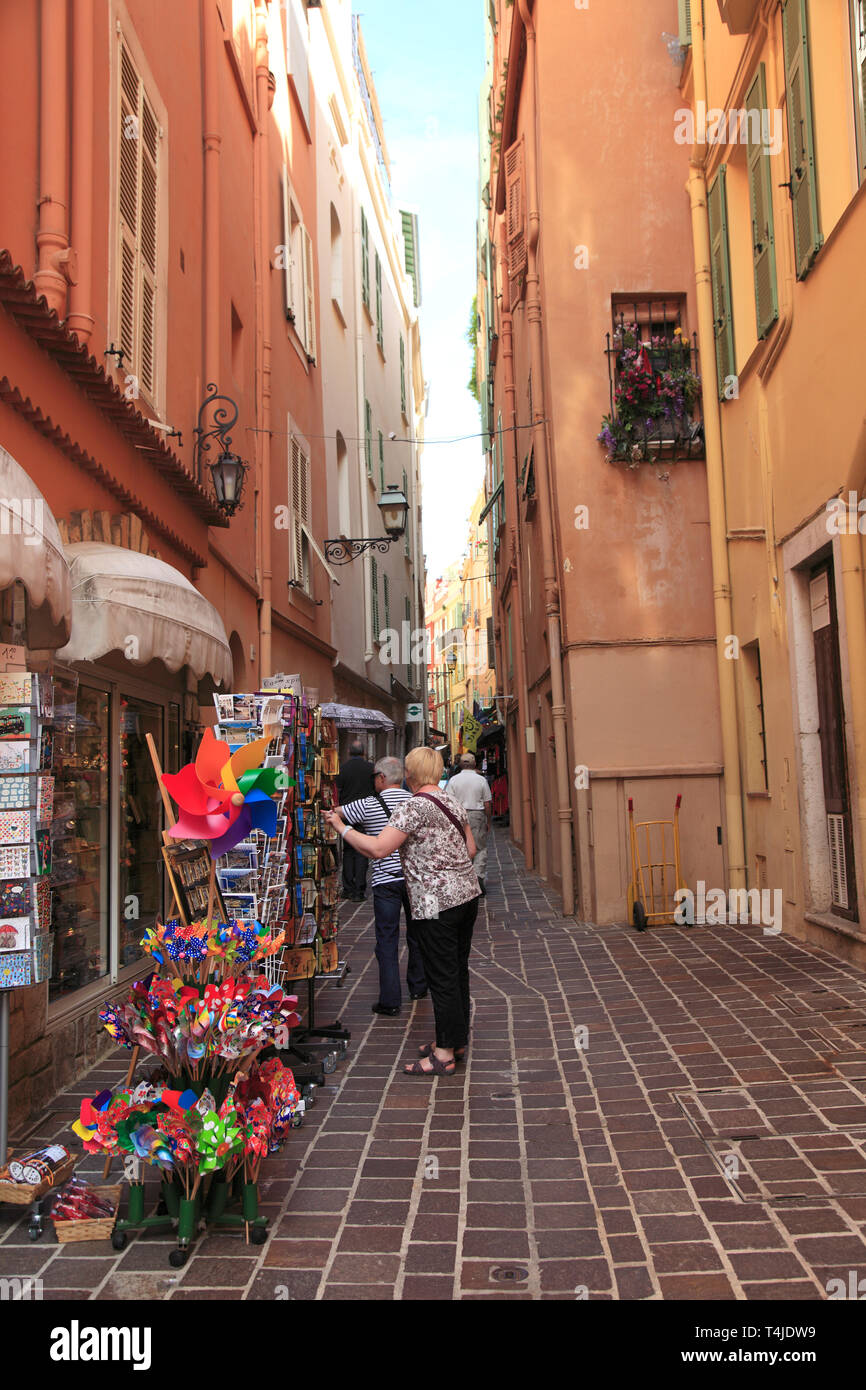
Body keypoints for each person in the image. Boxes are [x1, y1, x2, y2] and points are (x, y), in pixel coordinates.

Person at [325, 746, 481, 1077]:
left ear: (412, 774)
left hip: (435, 901)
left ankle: (444, 1054)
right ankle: (455, 1039)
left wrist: (341, 827)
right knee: (457, 971)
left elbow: (378, 849)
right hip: (466, 896)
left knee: (441, 975)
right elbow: (470, 848)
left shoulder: (414, 806)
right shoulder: (451, 800)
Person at [338, 756, 427, 1016]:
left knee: (386, 939)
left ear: (381, 778)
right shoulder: (415, 802)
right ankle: (419, 986)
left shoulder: (369, 804)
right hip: (416, 880)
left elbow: (338, 812)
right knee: (419, 934)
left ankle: (390, 999)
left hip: (386, 879)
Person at [446, 752, 493, 895]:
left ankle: (465, 879)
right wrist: (488, 820)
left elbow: (448, 802)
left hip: (458, 815)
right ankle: (478, 875)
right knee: (479, 847)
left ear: (460, 764)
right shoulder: (481, 780)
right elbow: (487, 803)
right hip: (476, 815)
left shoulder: (453, 780)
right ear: (474, 764)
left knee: (461, 847)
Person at [336, 740, 375, 900]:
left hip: (346, 813)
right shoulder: (371, 769)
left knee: (348, 850)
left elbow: (338, 791)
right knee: (362, 851)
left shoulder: (342, 769)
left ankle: (347, 888)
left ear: (348, 752)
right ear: (364, 752)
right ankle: (359, 890)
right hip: (365, 812)